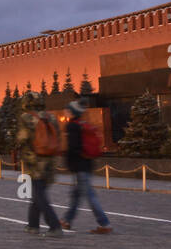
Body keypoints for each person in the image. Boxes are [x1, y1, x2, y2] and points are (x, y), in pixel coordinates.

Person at [14, 91, 63, 236]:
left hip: (35, 161)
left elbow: (22, 138)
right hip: (51, 160)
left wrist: (16, 144)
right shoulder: (51, 117)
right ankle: (33, 225)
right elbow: (58, 137)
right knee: (38, 193)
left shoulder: (27, 117)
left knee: (38, 194)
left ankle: (55, 226)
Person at [61, 101, 112, 233]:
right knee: (76, 195)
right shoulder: (83, 125)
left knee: (89, 195)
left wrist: (67, 160)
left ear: (72, 112)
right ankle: (66, 221)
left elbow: (74, 147)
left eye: (67, 110)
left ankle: (104, 224)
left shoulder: (72, 126)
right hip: (87, 164)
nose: (65, 112)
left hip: (79, 166)